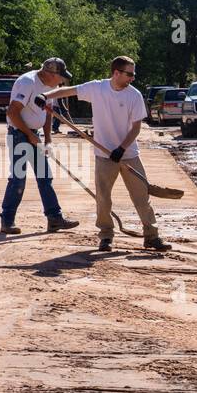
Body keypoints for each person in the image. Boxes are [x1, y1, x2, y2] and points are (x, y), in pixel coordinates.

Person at [43, 56, 169, 252]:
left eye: (133, 74)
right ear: (116, 73)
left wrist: (121, 148)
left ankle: (151, 236)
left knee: (141, 197)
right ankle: (106, 236)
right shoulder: (97, 88)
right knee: (103, 198)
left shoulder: (134, 96)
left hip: (129, 154)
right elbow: (69, 90)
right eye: (129, 74)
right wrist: (46, 96)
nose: (133, 78)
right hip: (103, 156)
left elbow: (136, 128)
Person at [0, 58, 80, 235]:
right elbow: (12, 112)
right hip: (18, 134)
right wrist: (29, 134)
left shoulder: (50, 87)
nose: (61, 81)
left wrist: (48, 139)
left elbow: (48, 113)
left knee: (45, 177)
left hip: (35, 134)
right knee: (18, 178)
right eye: (60, 77)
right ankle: (7, 220)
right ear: (50, 74)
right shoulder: (28, 83)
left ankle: (54, 219)